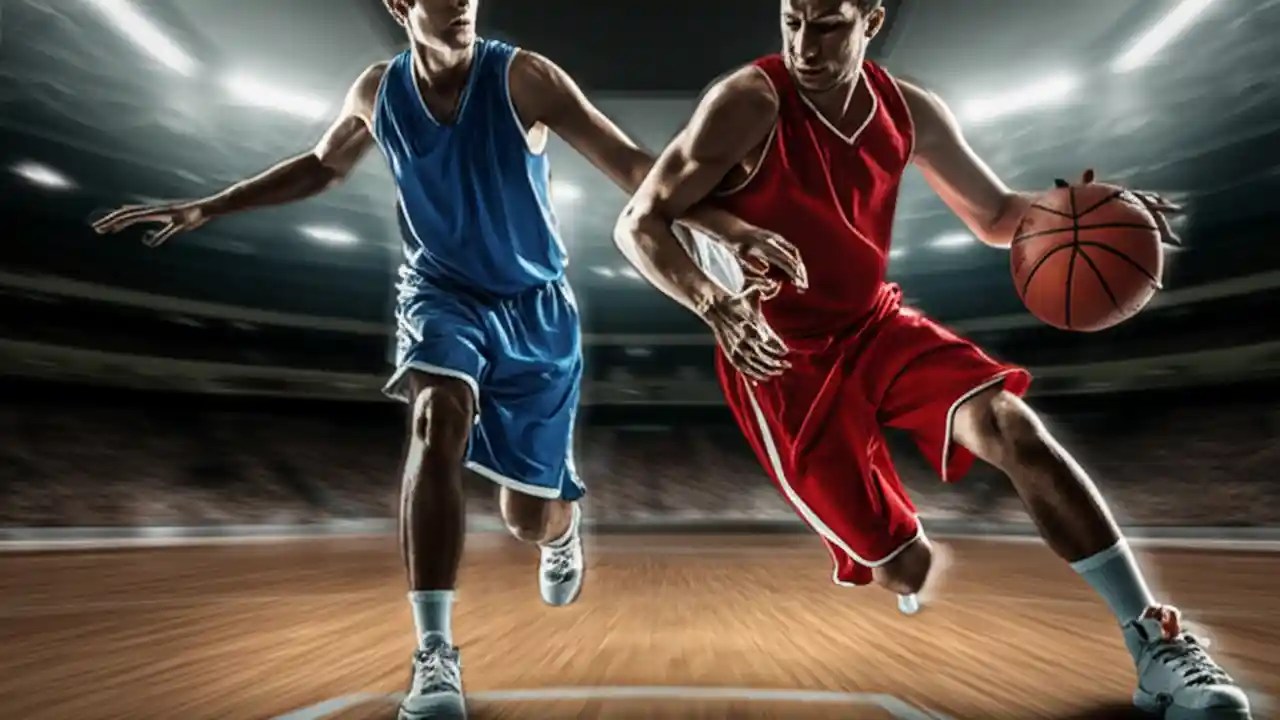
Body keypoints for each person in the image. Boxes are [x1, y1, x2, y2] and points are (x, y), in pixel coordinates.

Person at [91, 1, 801, 717]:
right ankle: (435, 657)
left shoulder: (526, 78)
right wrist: (212, 205)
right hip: (440, 292)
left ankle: (562, 530)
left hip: (536, 309)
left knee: (527, 517)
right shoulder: (377, 91)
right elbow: (319, 165)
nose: (461, 3)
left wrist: (731, 227)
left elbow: (632, 167)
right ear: (400, 5)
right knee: (437, 418)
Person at [613, 1, 1251, 718]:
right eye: (792, 20)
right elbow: (640, 220)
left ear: (871, 19)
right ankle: (905, 560)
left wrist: (1094, 212)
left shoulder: (908, 110)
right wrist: (716, 303)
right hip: (778, 358)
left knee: (1015, 427)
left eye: (826, 24)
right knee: (903, 566)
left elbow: (996, 216)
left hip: (874, 324)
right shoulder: (747, 102)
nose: (804, 44)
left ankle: (1156, 647)